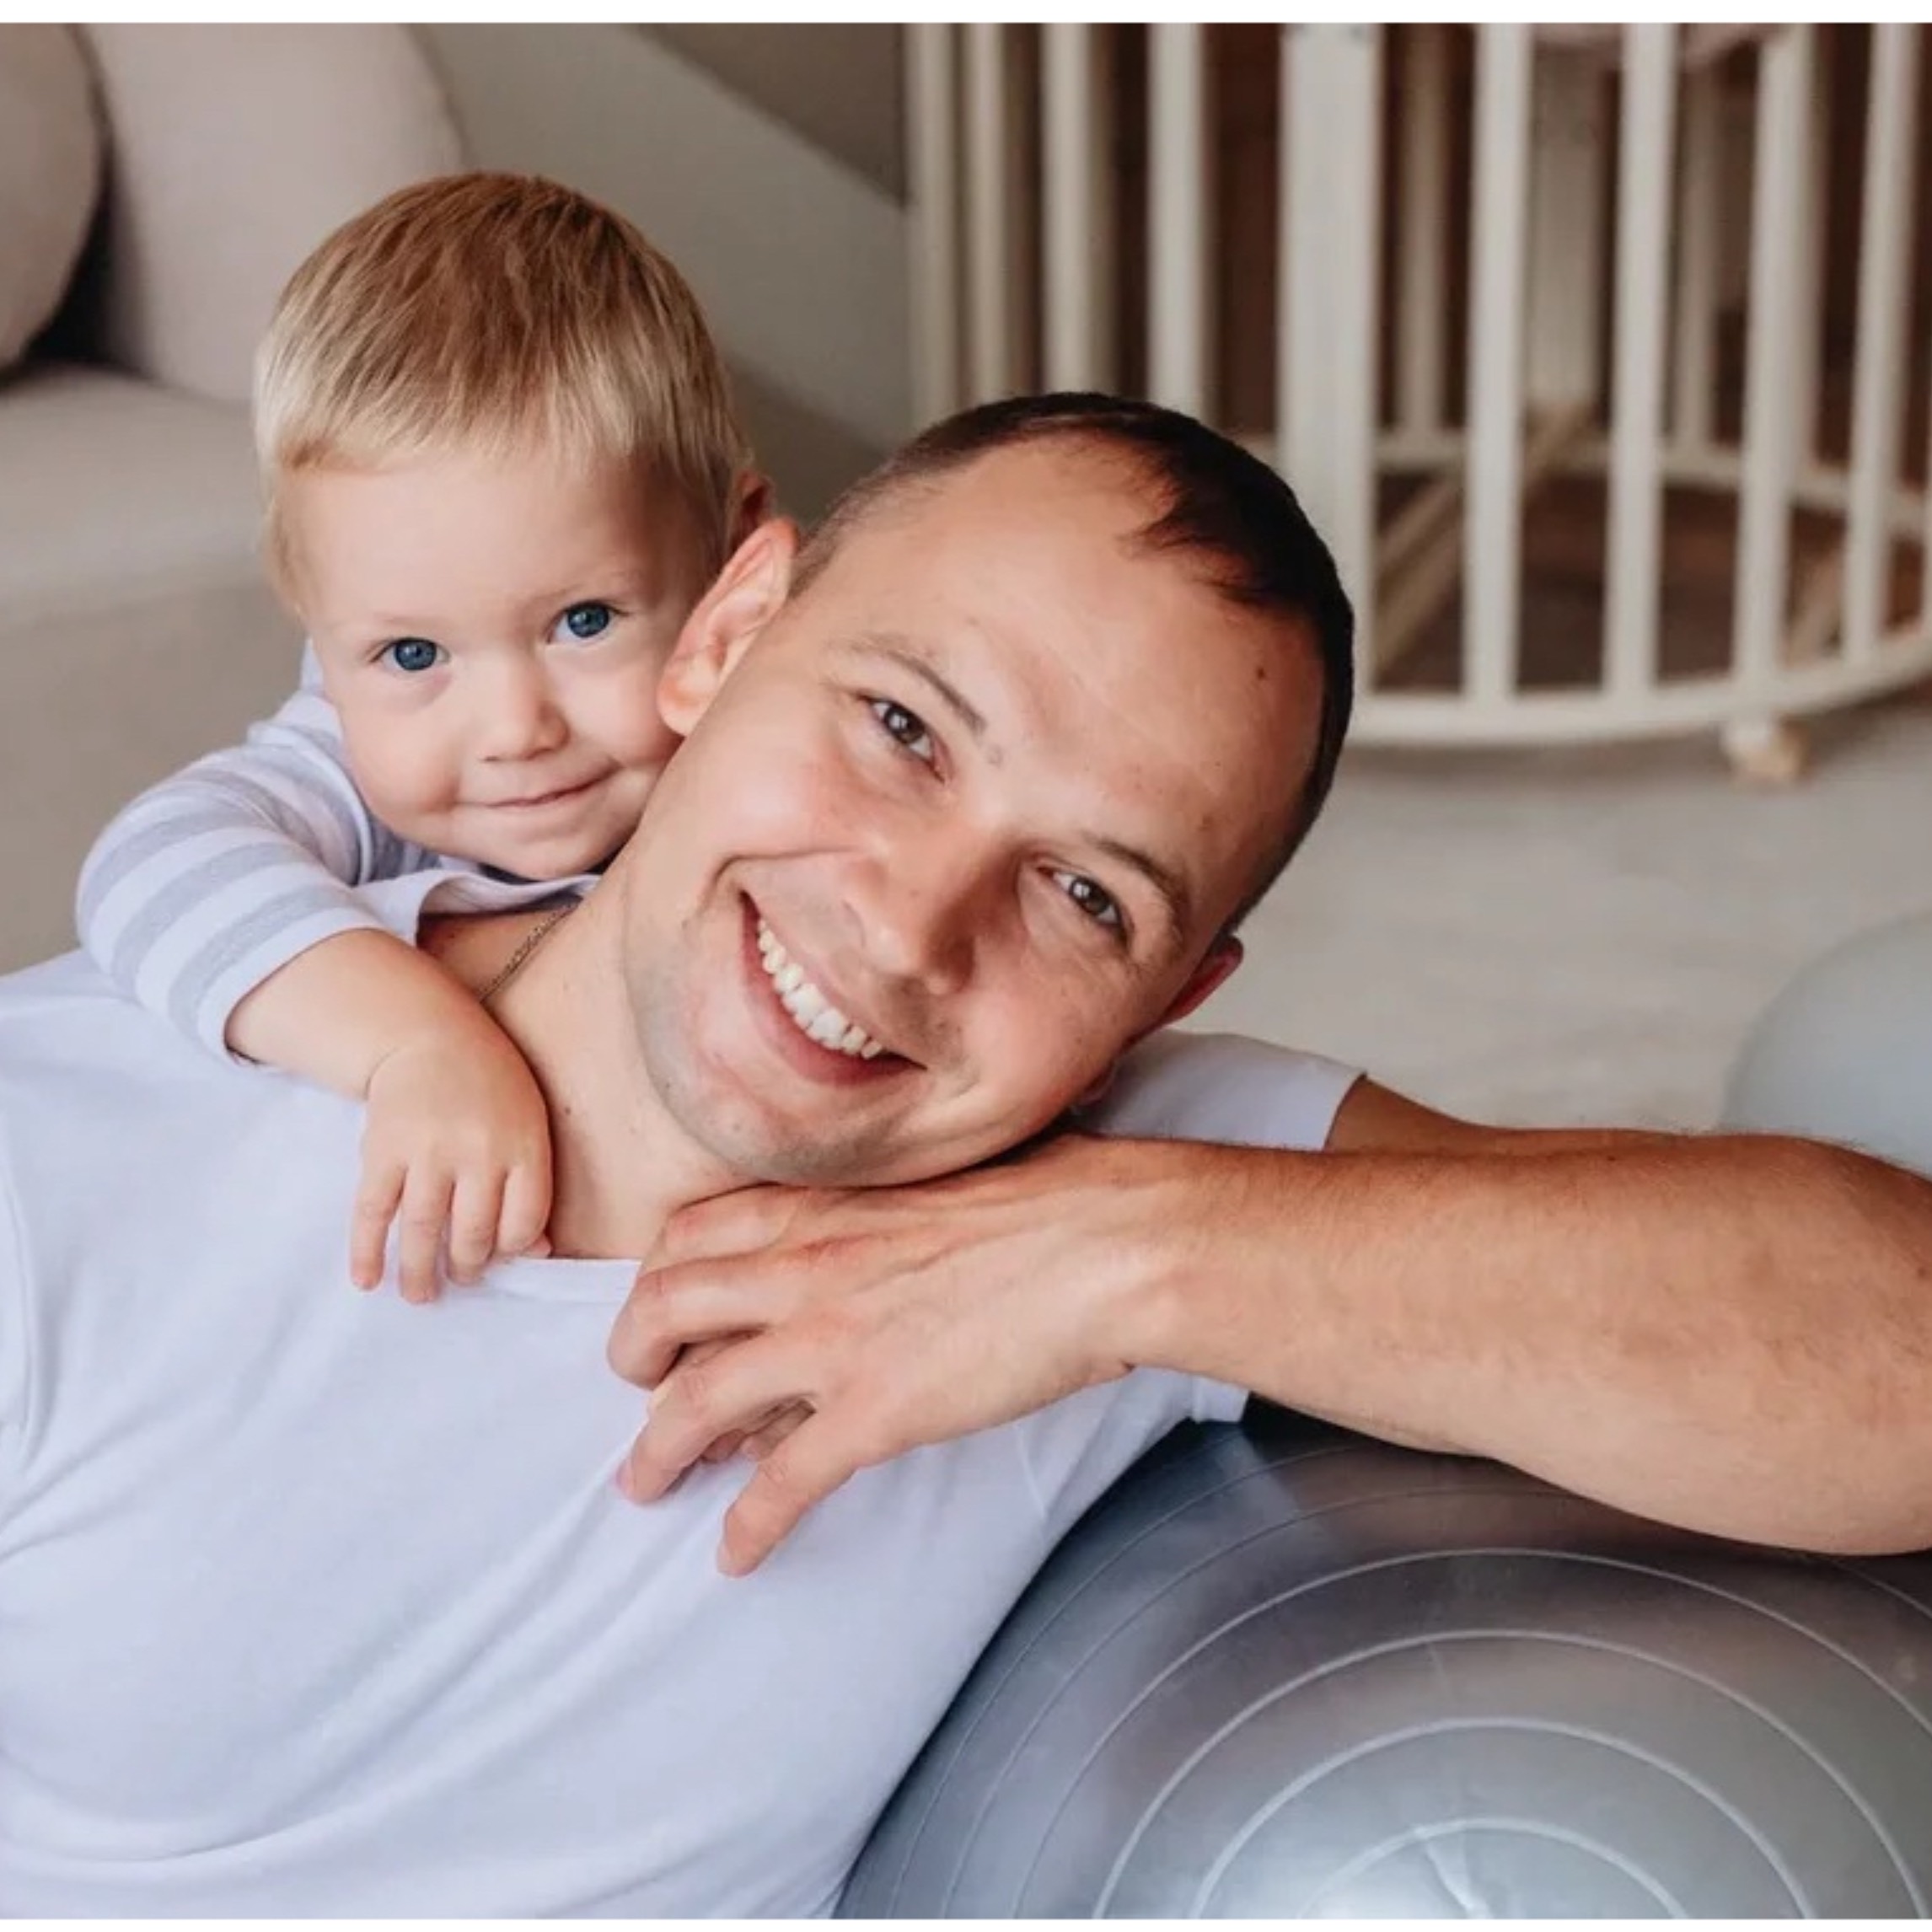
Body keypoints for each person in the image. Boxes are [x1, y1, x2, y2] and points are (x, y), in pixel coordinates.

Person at [4, 397, 1930, 1915]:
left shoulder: (1126, 1186)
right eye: (902, 729)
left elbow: (1895, 1348)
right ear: (728, 635)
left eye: (1088, 896)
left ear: (1176, 992)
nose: (913, 928)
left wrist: (1123, 1263)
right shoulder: (85, 1142)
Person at [74, 172, 766, 1301]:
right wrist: (419, 1043)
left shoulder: (787, 752)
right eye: (411, 654)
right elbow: (149, 868)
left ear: (735, 565)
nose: (515, 730)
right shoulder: (347, 766)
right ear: (315, 618)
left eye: (584, 622)